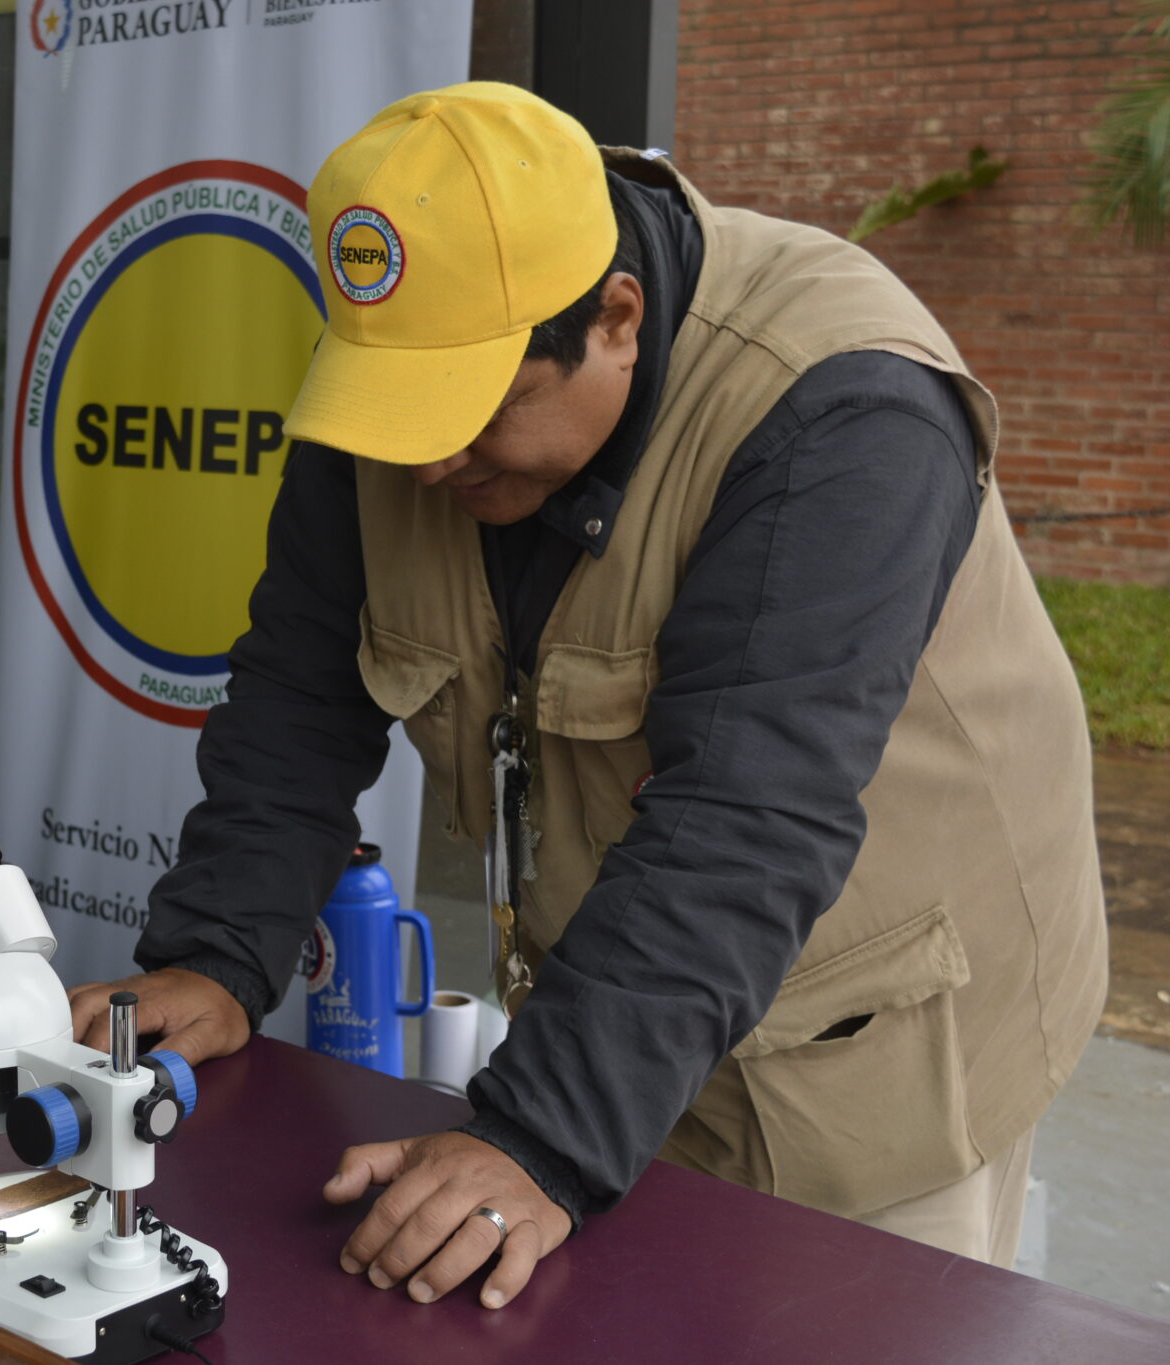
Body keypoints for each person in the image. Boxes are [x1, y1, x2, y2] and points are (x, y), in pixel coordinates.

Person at [71, 83, 1106, 1306]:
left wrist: (539, 1136)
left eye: (475, 410)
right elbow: (299, 690)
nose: (426, 460)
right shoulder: (405, 374)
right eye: (400, 411)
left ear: (616, 317)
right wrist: (216, 952)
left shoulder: (842, 413)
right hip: (614, 1015)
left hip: (866, 1061)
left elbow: (742, 817)